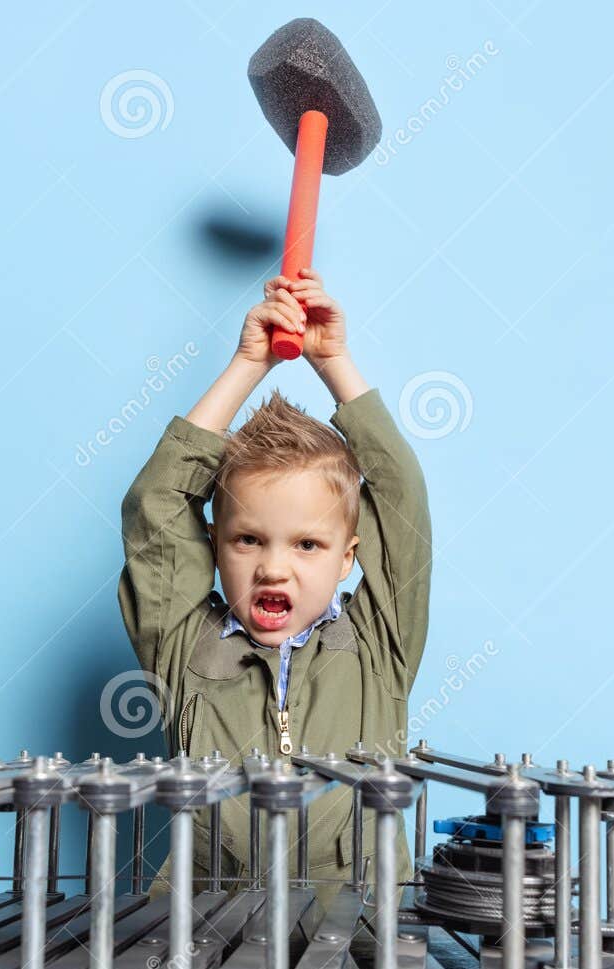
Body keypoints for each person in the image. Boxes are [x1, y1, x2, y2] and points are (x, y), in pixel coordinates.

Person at [118, 267, 431, 911]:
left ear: (351, 557)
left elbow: (401, 501)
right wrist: (248, 363)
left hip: (362, 934)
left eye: (307, 544)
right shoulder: (184, 646)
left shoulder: (380, 645)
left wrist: (332, 361)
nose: (273, 568)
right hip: (197, 933)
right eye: (248, 540)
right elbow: (156, 507)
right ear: (213, 544)